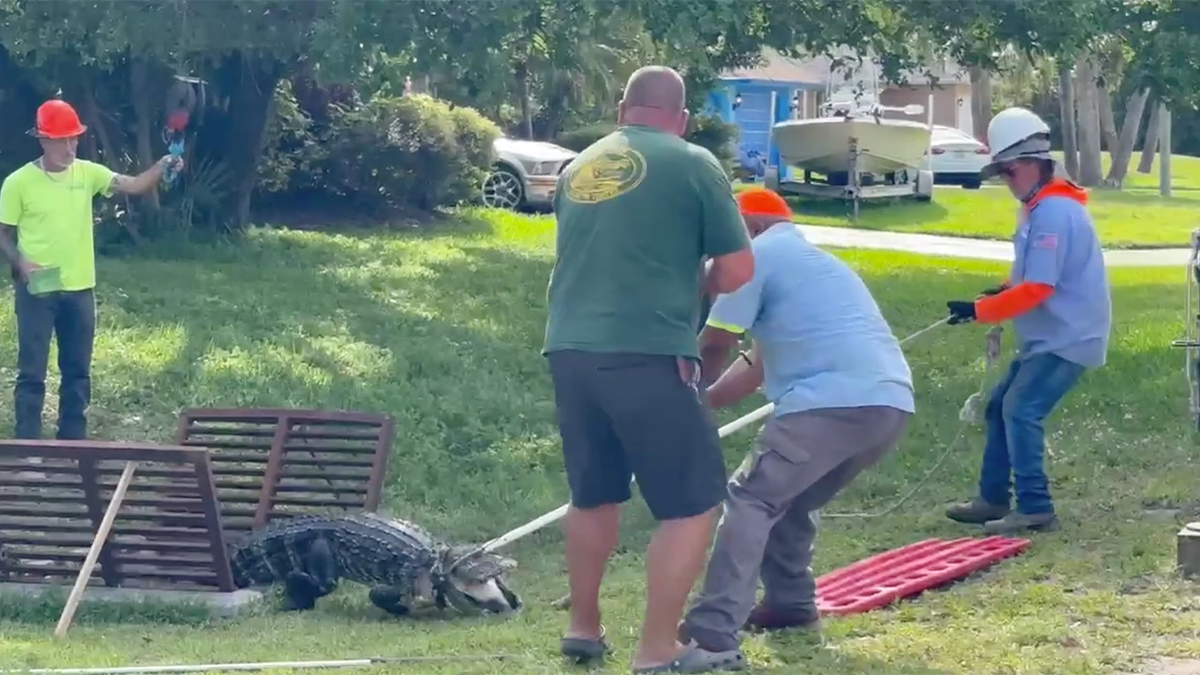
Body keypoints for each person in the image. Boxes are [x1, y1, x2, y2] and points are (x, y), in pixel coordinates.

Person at [542, 65, 755, 674]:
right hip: (648, 349)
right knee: (691, 502)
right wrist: (699, 284)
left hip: (569, 349)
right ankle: (658, 648)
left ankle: (583, 627)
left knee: (593, 493)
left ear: (621, 110)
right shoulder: (693, 163)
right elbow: (737, 271)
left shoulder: (577, 168)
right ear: (681, 118)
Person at [674, 187, 915, 669]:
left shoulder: (756, 257)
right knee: (791, 500)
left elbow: (715, 342)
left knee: (751, 499)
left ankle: (713, 632)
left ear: (751, 227)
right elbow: (758, 366)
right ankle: (791, 603)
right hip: (887, 405)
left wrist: (679, 407)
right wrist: (706, 407)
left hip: (829, 404)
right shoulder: (812, 263)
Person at [943, 106, 1111, 535]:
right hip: (1050, 337)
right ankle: (993, 498)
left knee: (1021, 408)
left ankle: (1035, 507)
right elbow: (1031, 274)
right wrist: (1001, 291)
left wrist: (981, 311)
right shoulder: (1039, 207)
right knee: (1001, 406)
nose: (1006, 181)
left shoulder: (1054, 211)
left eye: (1009, 172)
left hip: (1068, 337)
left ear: (1033, 163)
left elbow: (1039, 288)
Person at [0, 99, 182, 441]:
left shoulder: (87, 173)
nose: (70, 147)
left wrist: (161, 166)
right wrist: (20, 261)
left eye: (74, 139)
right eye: (61, 140)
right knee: (32, 371)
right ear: (42, 139)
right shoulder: (18, 182)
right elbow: (3, 232)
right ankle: (26, 446)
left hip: (79, 287)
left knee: (78, 371)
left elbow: (132, 184)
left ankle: (72, 443)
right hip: (38, 286)